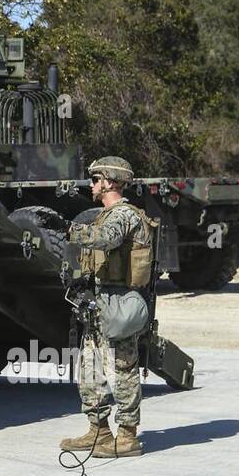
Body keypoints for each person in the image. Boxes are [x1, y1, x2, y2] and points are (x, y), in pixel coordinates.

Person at [60, 156, 151, 459]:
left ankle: (127, 436)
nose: (92, 184)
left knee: (123, 368)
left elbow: (105, 239)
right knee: (90, 367)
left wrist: (66, 229)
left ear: (110, 182)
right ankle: (98, 430)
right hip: (100, 301)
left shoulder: (123, 215)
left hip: (120, 302)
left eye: (96, 179)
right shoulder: (106, 214)